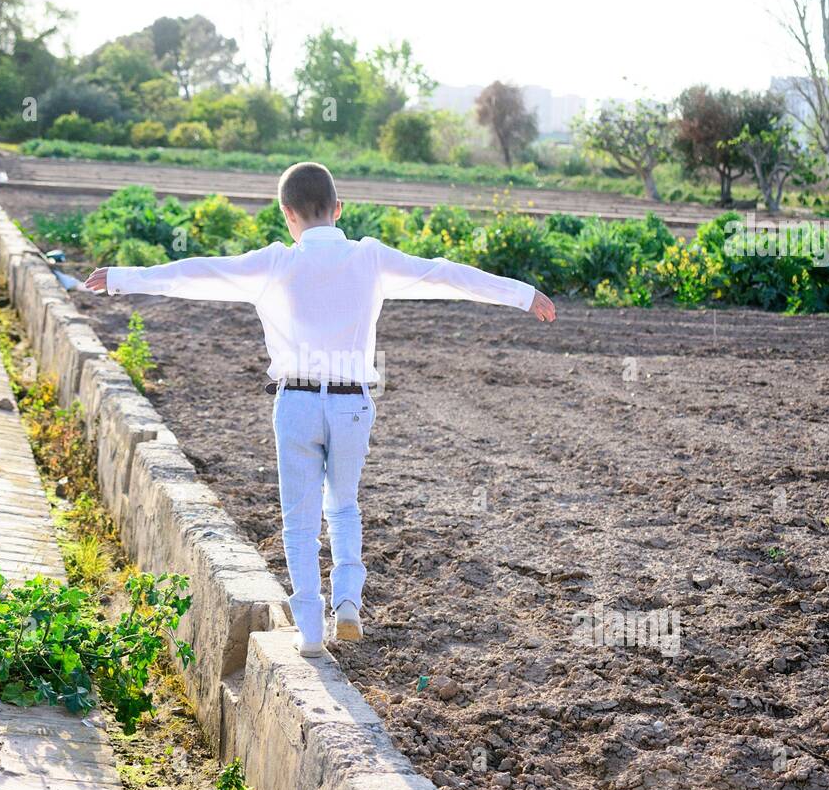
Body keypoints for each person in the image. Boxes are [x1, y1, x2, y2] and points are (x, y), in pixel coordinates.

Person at [84, 162, 556, 657]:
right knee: (344, 504)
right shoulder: (370, 258)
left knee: (300, 520)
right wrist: (522, 295)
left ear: (286, 214)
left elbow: (198, 271)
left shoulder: (275, 263)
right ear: (339, 209)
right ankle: (348, 602)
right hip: (352, 403)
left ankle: (310, 627)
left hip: (298, 402)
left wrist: (120, 277)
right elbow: (445, 274)